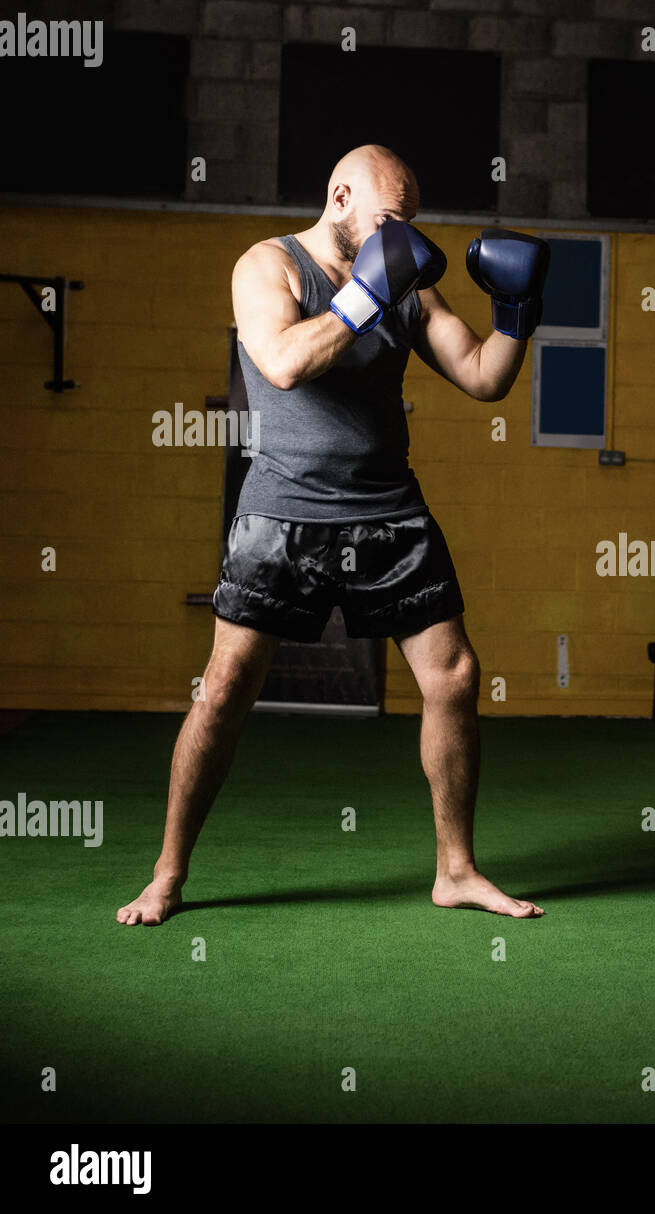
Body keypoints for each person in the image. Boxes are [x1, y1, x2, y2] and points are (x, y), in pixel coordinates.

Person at [118, 145, 548, 926]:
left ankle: (455, 871)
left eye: (411, 222)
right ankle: (167, 873)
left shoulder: (410, 281)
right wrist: (363, 299)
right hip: (282, 511)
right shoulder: (268, 266)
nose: (403, 235)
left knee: (453, 676)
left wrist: (517, 313)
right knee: (221, 693)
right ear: (340, 196)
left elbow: (486, 377)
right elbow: (281, 363)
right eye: (391, 219)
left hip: (388, 510)